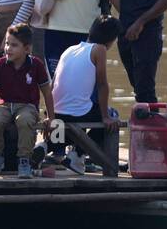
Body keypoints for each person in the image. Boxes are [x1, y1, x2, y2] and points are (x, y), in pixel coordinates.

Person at [0, 23, 56, 179]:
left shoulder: (36, 65)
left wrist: (51, 117)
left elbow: (47, 93)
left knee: (25, 120)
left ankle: (24, 160)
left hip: (27, 106)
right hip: (4, 104)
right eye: (7, 44)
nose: (8, 48)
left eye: (14, 45)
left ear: (27, 48)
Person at [51, 15, 122, 174]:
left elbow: (52, 84)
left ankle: (48, 148)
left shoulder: (70, 49)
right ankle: (77, 156)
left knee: (72, 117)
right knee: (113, 115)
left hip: (57, 112)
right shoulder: (100, 49)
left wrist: (49, 114)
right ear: (111, 38)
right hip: (77, 114)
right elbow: (102, 84)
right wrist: (105, 116)